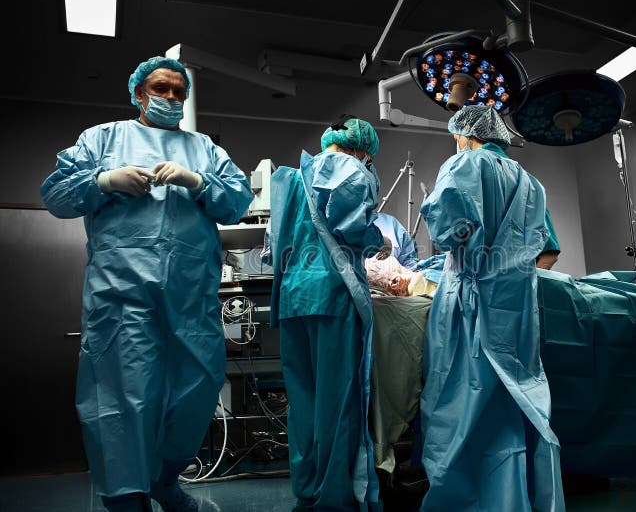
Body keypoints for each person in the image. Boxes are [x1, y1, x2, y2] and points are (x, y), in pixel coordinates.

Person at [40, 56, 253, 512]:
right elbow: (56, 194)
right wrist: (103, 180)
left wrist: (198, 182)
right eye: (161, 88)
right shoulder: (103, 139)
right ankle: (126, 497)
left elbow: (236, 202)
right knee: (122, 397)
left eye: (179, 91)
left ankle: (163, 477)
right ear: (139, 93)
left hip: (190, 298)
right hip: (122, 297)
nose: (171, 98)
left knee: (196, 390)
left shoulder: (205, 150)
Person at [419, 105, 565, 511]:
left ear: (466, 134)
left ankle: (463, 501)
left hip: (471, 303)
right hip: (516, 308)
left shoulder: (464, 163)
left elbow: (448, 230)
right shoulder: (530, 182)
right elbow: (541, 248)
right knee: (512, 405)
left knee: (460, 406)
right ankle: (514, 499)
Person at [267, 115, 384, 511]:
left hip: (292, 298)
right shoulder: (351, 168)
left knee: (303, 402)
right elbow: (353, 228)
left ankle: (307, 490)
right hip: (333, 296)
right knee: (336, 402)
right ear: (364, 150)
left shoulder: (288, 180)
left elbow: (272, 250)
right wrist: (375, 240)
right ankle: (334, 498)